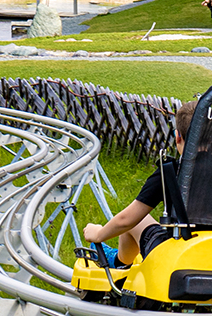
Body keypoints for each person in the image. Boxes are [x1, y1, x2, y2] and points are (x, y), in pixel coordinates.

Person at [82, 99, 197, 267]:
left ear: (177, 136)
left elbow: (126, 220)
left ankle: (119, 262)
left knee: (137, 221)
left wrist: (98, 233)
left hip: (177, 256)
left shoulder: (171, 172)